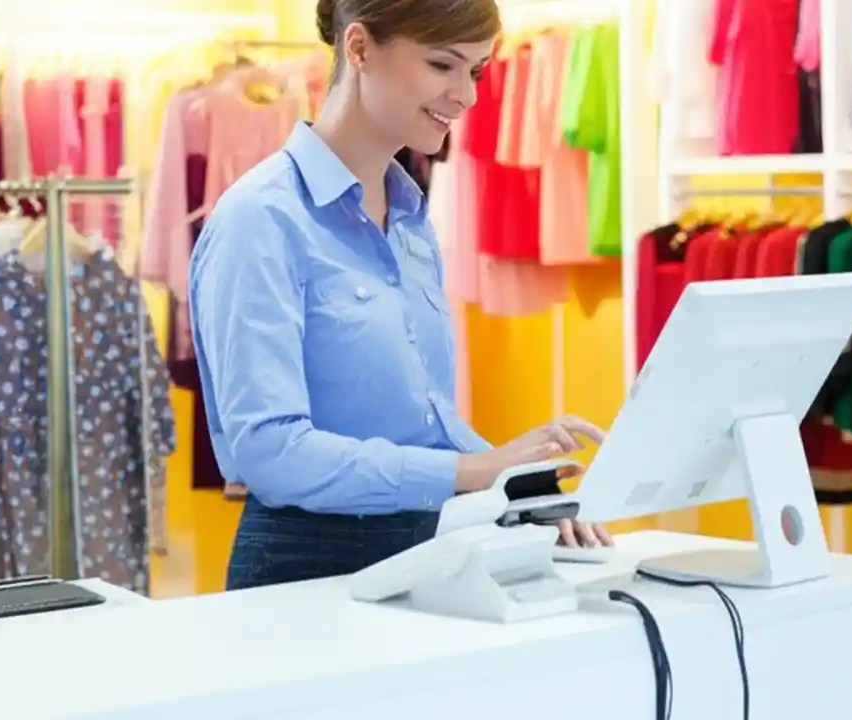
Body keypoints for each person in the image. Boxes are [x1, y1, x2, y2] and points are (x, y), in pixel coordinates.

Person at [189, 0, 613, 592]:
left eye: (476, 72)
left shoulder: (412, 219)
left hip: (424, 549)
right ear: (359, 49)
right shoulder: (259, 220)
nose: (465, 95)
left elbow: (429, 422)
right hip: (305, 569)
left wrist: (524, 483)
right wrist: (472, 470)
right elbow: (270, 452)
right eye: (443, 65)